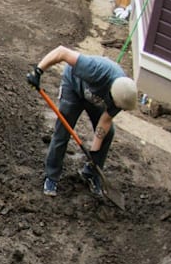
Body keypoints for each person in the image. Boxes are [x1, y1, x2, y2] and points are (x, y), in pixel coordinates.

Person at [26, 45, 138, 198]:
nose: (119, 109)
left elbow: (105, 121)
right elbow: (62, 52)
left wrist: (94, 153)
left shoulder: (123, 97)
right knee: (62, 132)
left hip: (93, 98)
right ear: (112, 95)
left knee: (108, 133)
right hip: (73, 87)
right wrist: (38, 71)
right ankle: (51, 176)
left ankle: (91, 172)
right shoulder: (95, 70)